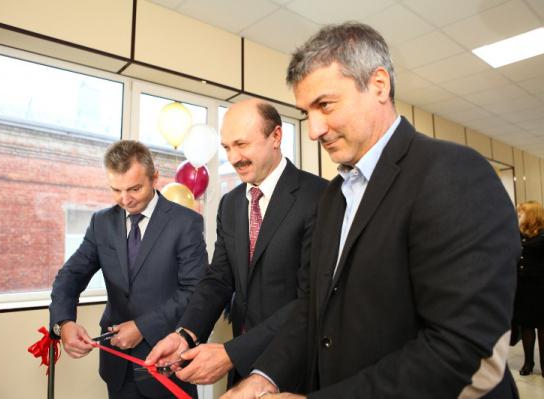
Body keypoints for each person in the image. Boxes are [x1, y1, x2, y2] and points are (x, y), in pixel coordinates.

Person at [223, 22, 520, 399]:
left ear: (379, 85)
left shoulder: (452, 173)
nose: (314, 129)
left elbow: (463, 351)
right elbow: (312, 310)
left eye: (325, 105)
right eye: (306, 112)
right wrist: (263, 378)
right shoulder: (332, 197)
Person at [145, 99, 327, 388]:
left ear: (276, 136)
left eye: (242, 144)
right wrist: (185, 334)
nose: (233, 157)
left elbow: (311, 301)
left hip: (297, 367)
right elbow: (218, 278)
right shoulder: (229, 205)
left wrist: (232, 354)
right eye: (227, 147)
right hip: (242, 364)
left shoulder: (319, 196)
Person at [49, 140, 207, 399]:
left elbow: (194, 290)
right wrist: (63, 322)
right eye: (116, 190)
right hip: (117, 366)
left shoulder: (186, 222)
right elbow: (71, 276)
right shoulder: (101, 222)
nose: (125, 199)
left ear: (154, 177)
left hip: (168, 362)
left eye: (134, 188)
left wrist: (143, 327)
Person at [514, 201, 544, 377]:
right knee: (526, 326)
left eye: (521, 213)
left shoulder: (542, 236)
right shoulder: (517, 234)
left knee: (542, 327)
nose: (518, 216)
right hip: (523, 287)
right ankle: (528, 362)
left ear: (532, 215)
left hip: (540, 287)